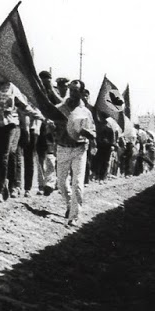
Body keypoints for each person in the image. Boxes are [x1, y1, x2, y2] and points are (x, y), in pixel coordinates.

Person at [57, 80, 97, 225]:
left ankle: (74, 216)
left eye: (75, 90)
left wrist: (89, 136)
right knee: (61, 183)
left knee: (78, 184)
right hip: (62, 148)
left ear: (81, 92)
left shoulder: (85, 112)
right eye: (71, 90)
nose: (72, 93)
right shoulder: (61, 107)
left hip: (79, 149)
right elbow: (51, 122)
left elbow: (92, 131)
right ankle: (69, 204)